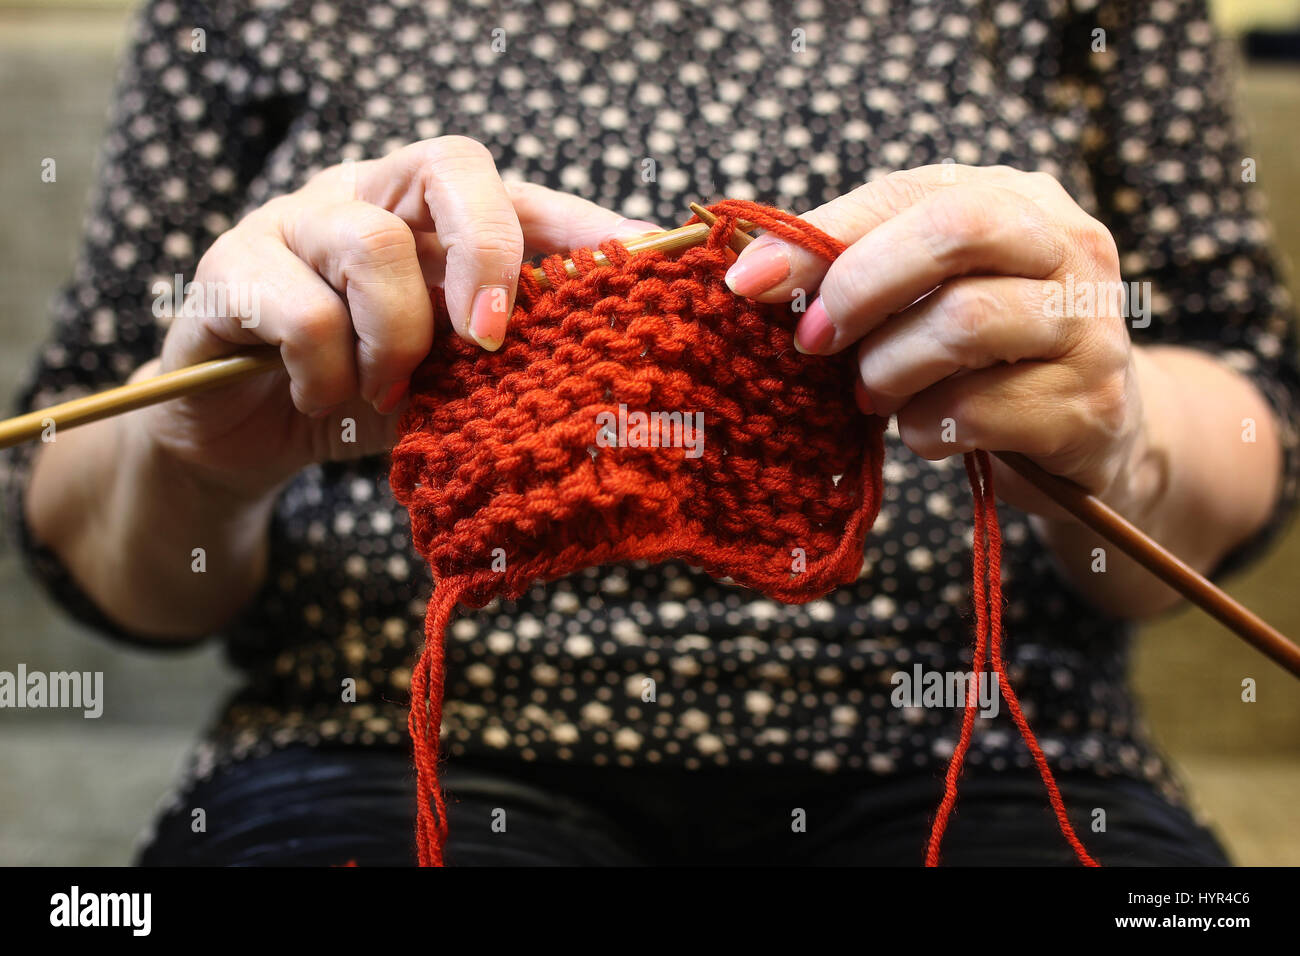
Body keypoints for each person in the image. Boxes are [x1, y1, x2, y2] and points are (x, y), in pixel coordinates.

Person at [4, 0, 1296, 865]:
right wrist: (193, 452)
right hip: (377, 746)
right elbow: (94, 549)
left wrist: (1112, 439)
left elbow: (1254, 408)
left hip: (990, 747)